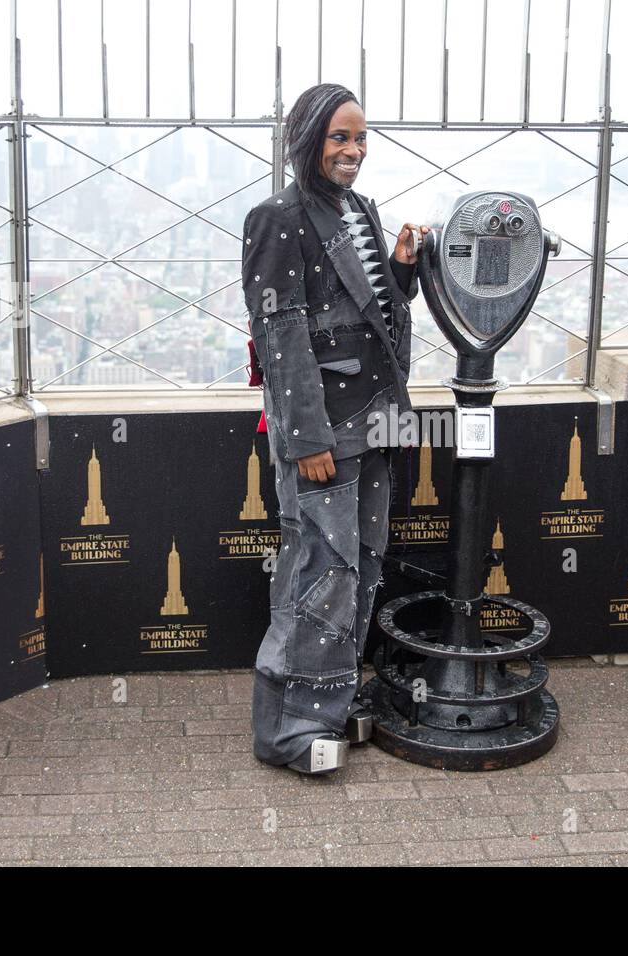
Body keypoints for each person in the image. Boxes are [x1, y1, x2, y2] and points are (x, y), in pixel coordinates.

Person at [243, 83, 430, 775]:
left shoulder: (359, 211)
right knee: (319, 573)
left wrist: (401, 266)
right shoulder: (277, 217)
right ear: (306, 140)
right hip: (325, 432)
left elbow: (374, 311)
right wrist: (308, 440)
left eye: (358, 138)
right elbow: (281, 332)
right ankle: (288, 732)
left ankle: (332, 701)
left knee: (363, 565)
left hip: (378, 419)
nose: (352, 150)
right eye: (338, 138)